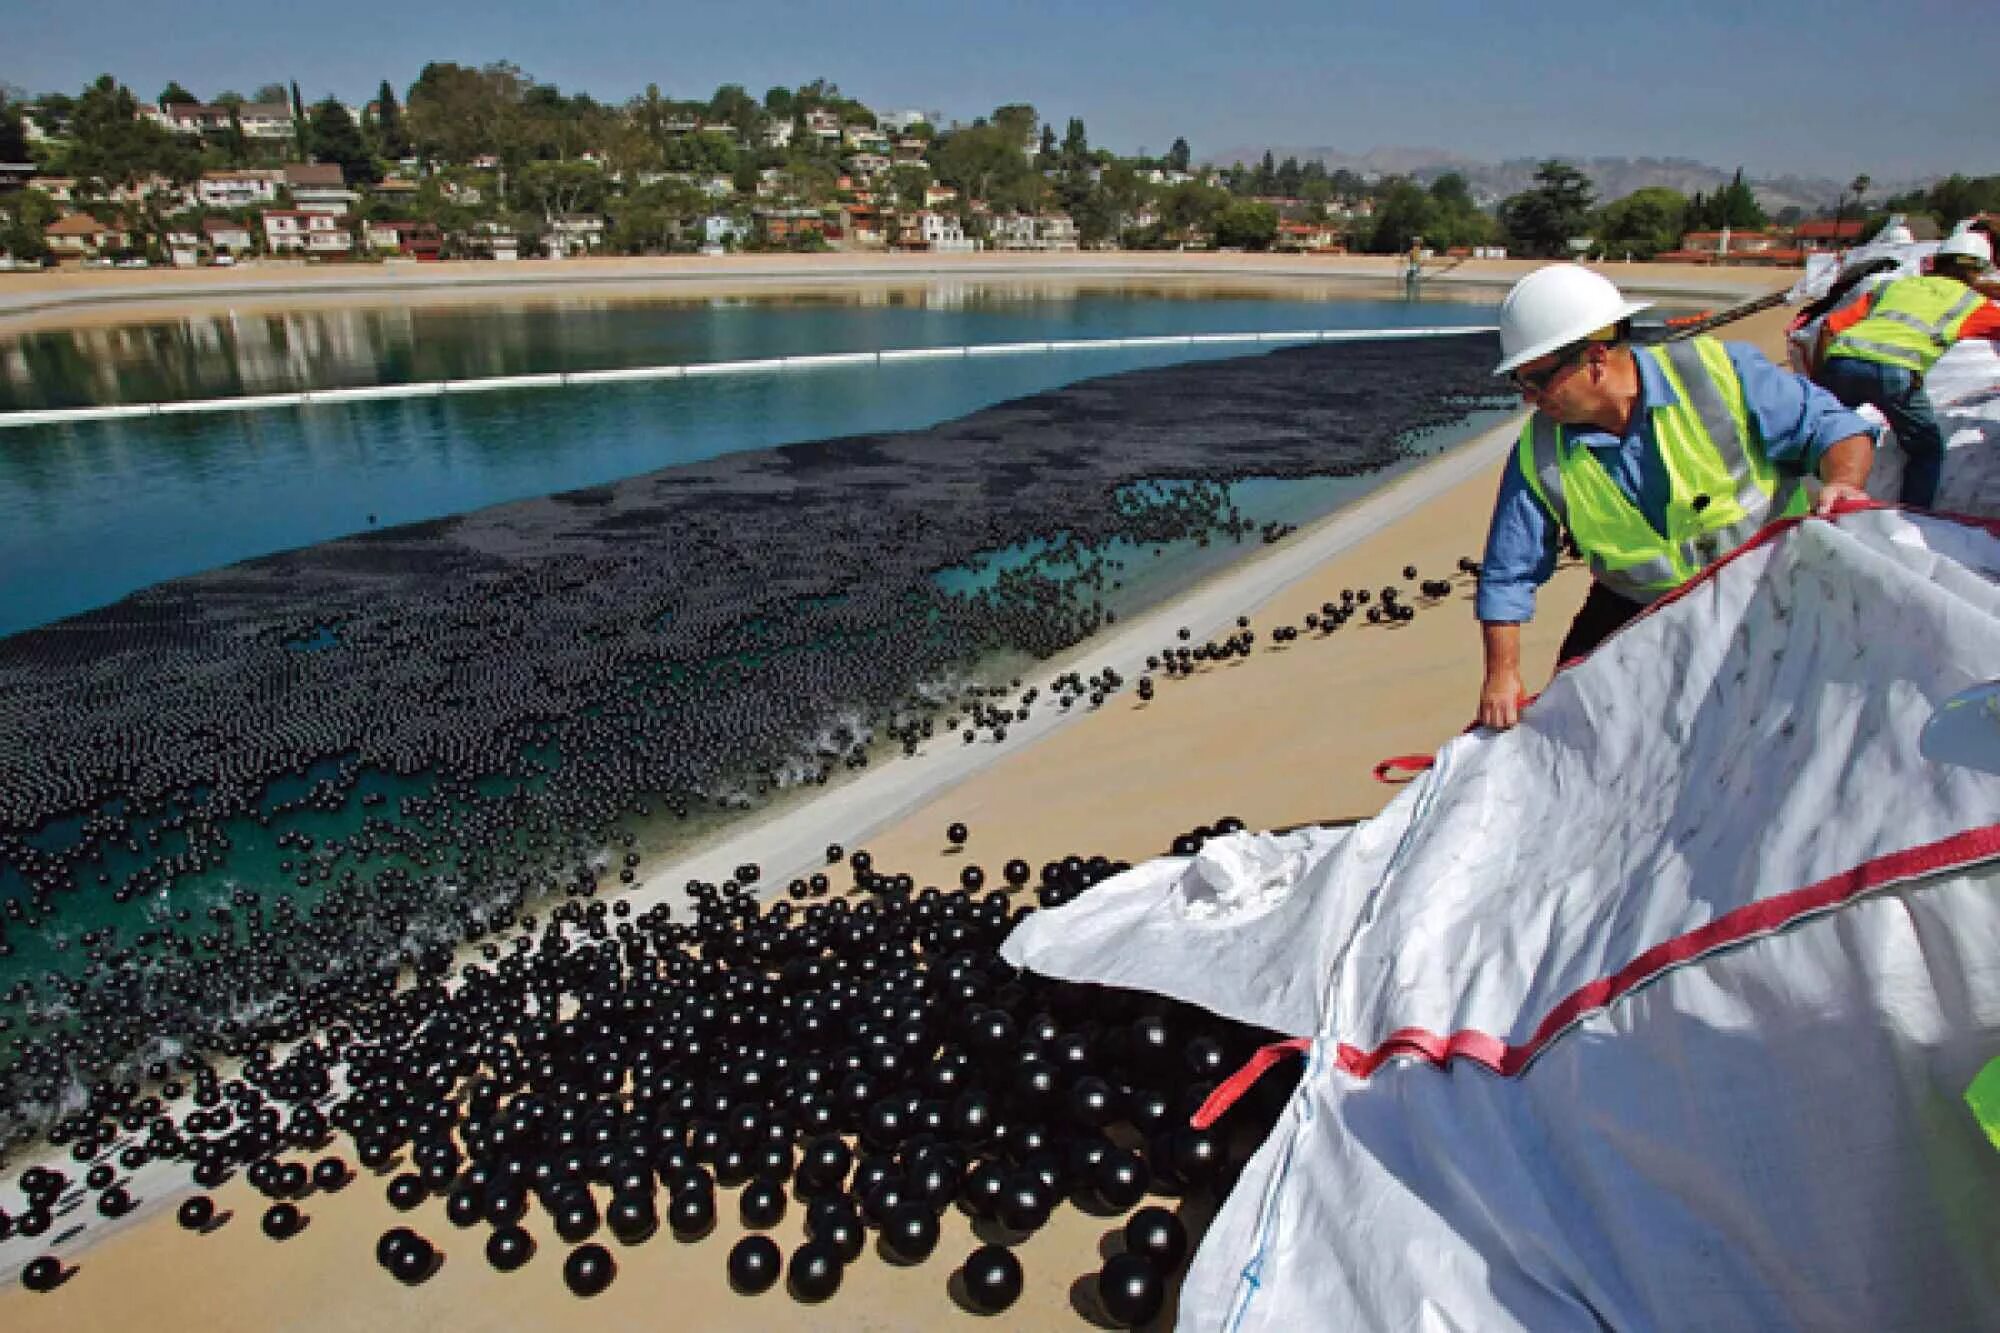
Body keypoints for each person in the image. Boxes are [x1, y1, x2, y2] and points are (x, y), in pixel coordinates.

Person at [1475, 265, 1877, 730]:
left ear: (1596, 358)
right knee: (1578, 716)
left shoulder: (1719, 375)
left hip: (1770, 582)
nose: (1530, 398)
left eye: (1539, 380)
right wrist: (1502, 676)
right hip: (1638, 606)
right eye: (1520, 383)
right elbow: (1507, 574)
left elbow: (1835, 430)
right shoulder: (1540, 450)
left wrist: (1843, 482)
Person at [1814, 228, 2000, 506]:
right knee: (1926, 449)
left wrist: (1818, 384)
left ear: (1936, 262)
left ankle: (1812, 494)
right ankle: (1912, 512)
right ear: (1979, 272)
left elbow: (1829, 326)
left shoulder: (1893, 286)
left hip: (1842, 363)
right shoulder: (1972, 303)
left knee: (1822, 431)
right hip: (1895, 374)